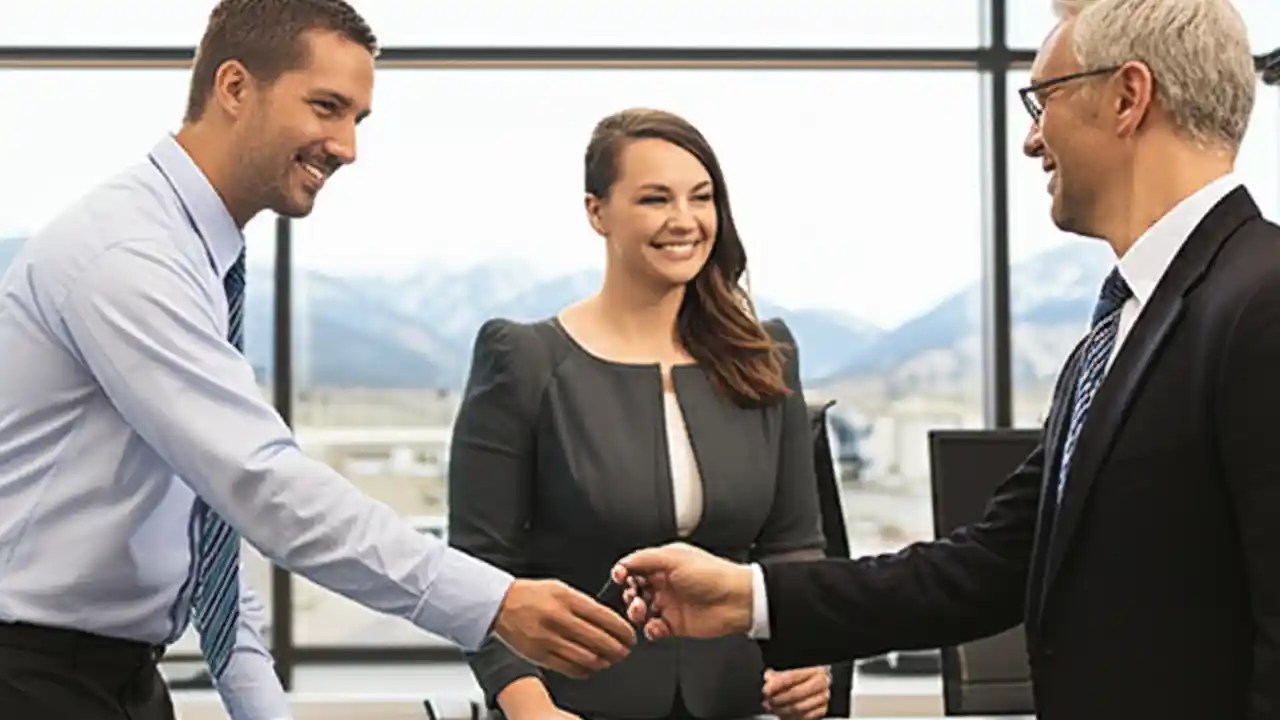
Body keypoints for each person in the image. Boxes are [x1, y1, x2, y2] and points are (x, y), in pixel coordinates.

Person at [612, 2, 1280, 718]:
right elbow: (990, 565)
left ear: (1127, 96)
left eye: (1044, 98)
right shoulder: (1116, 333)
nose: (1030, 141)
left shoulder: (1263, 301)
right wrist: (749, 596)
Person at [0, 2, 635, 719]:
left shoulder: (190, 255)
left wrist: (258, 701)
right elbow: (261, 482)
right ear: (235, 88)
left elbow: (206, 511)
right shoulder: (128, 256)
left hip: (116, 678)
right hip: (30, 676)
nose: (346, 146)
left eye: (357, 119)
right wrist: (493, 603)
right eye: (327, 108)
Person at [448, 108, 831, 720]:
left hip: (743, 703)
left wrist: (809, 655)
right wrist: (528, 707)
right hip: (568, 704)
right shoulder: (523, 359)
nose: (684, 221)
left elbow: (795, 545)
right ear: (596, 211)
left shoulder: (767, 356)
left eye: (701, 198)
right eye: (655, 199)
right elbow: (478, 567)